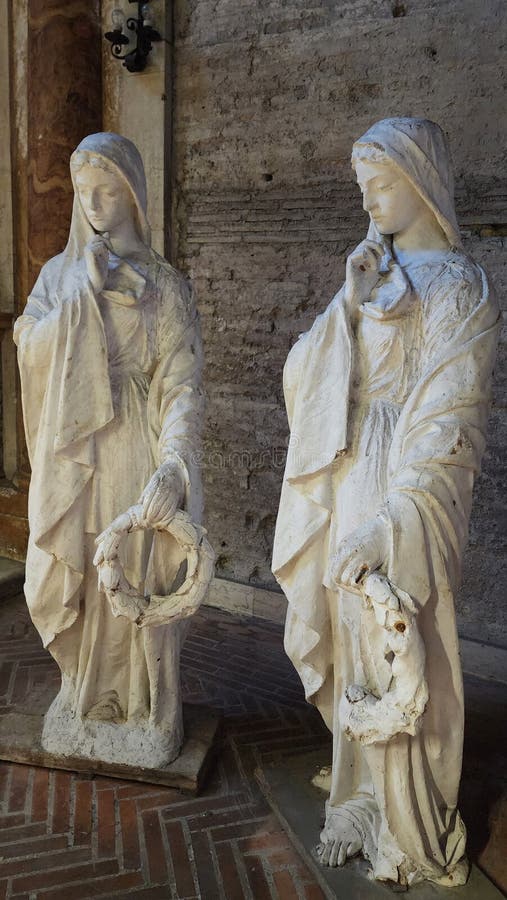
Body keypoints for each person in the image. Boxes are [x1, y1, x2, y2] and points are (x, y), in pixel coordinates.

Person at [272, 118, 499, 887]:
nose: (368, 201)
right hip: (346, 476)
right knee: (350, 637)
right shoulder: (372, 270)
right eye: (361, 188)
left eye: (380, 185)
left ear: (420, 181)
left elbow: (449, 417)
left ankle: (408, 815)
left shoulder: (460, 286)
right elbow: (302, 376)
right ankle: (358, 798)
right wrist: (346, 300)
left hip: (406, 486)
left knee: (403, 639)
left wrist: (391, 521)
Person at [14, 132, 204, 767]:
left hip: (134, 447)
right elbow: (28, 340)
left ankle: (151, 705)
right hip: (77, 451)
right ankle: (83, 692)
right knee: (87, 580)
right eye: (82, 192)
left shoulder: (165, 285)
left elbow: (181, 382)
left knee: (140, 570)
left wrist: (175, 464)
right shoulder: (59, 276)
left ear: (133, 194)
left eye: (106, 190)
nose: (93, 203)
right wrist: (81, 297)